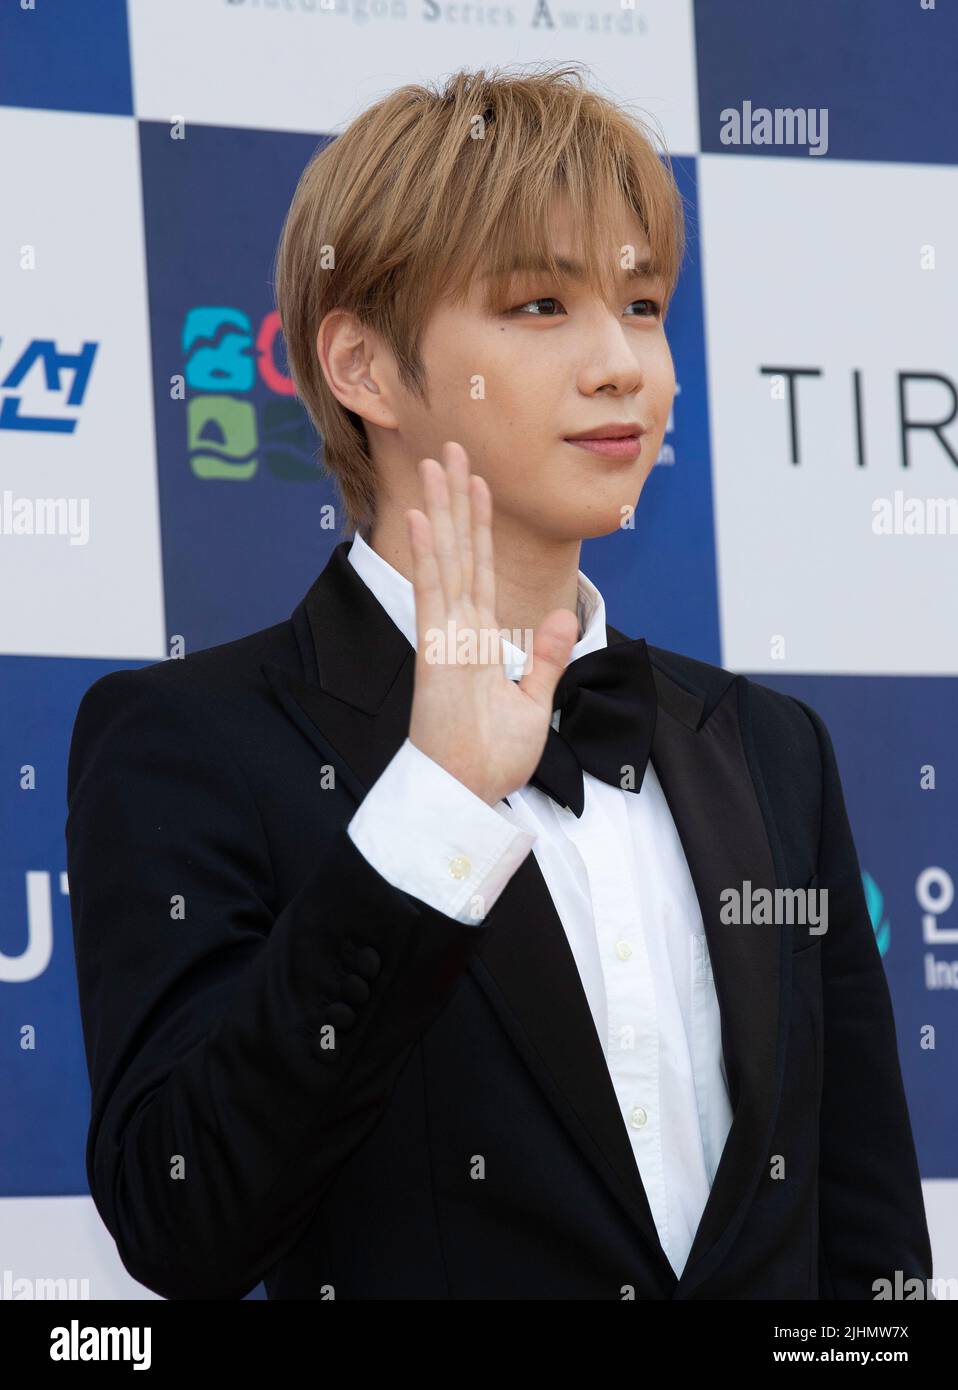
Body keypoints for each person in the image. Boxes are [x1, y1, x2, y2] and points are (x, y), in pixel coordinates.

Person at [66, 64, 932, 1300]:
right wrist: (435, 808)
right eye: (538, 305)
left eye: (642, 304)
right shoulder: (189, 743)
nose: (622, 362)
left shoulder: (768, 745)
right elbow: (182, 1215)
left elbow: (867, 1244)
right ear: (364, 368)